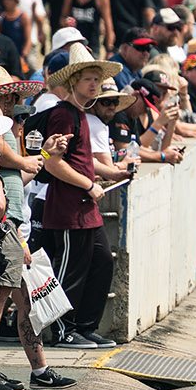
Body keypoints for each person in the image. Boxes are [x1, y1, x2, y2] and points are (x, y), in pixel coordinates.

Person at [39, 54, 123, 350]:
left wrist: (115, 172)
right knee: (70, 271)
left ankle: (85, 327)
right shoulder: (64, 114)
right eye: (88, 79)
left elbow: (83, 161)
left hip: (86, 209)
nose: (95, 85)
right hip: (67, 209)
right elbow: (53, 164)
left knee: (101, 264)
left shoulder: (82, 115)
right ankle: (63, 330)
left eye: (97, 80)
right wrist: (89, 185)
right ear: (73, 82)